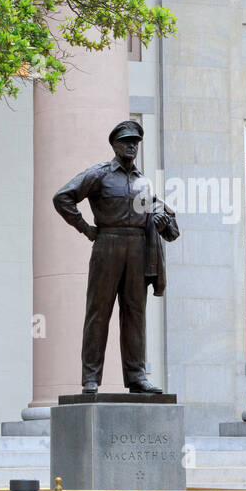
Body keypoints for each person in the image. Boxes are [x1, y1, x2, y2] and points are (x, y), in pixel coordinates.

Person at [52, 120, 179, 394]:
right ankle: (90, 377)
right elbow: (63, 198)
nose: (132, 146)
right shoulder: (99, 174)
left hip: (138, 248)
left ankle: (136, 376)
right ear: (115, 144)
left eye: (136, 142)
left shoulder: (142, 182)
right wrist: (87, 229)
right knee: (99, 312)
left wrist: (158, 217)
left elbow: (160, 214)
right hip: (107, 244)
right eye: (127, 141)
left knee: (135, 313)